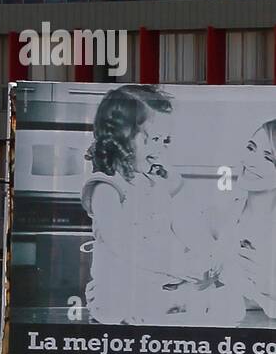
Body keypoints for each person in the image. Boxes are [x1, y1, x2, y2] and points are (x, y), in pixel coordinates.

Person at [81, 85, 210, 323]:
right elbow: (122, 244)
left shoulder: (153, 182)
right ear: (120, 138)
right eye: (155, 139)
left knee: (214, 298)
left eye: (165, 140)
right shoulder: (106, 187)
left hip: (156, 286)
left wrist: (178, 187)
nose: (160, 148)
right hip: (116, 293)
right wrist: (176, 266)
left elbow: (184, 225)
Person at [206, 119, 276, 323]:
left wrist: (268, 285)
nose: (250, 161)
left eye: (268, 158)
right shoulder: (222, 216)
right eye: (251, 148)